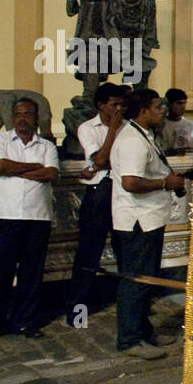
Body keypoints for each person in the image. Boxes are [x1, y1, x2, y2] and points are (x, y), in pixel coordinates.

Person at [109, 88, 185, 359]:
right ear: (143, 111)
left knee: (146, 279)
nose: (162, 110)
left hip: (149, 218)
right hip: (138, 220)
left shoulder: (143, 135)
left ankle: (143, 332)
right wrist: (166, 183)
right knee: (136, 280)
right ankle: (129, 340)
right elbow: (130, 182)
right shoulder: (132, 141)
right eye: (157, 107)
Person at [0, 98, 60, 345]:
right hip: (4, 216)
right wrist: (34, 167)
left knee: (31, 273)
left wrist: (20, 169)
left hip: (37, 217)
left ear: (36, 118)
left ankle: (24, 321)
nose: (22, 118)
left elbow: (51, 173)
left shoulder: (47, 146)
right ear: (11, 118)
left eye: (27, 114)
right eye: (17, 114)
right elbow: (1, 166)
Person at [66, 82, 129, 321]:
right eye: (114, 104)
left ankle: (129, 308)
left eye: (121, 104)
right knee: (88, 253)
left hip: (122, 192)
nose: (118, 109)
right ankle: (77, 312)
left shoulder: (129, 127)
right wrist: (112, 131)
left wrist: (106, 161)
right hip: (98, 193)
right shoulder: (87, 128)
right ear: (101, 105)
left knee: (124, 251)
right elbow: (100, 160)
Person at [158, 87, 193, 155]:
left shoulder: (191, 125)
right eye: (179, 103)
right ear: (169, 104)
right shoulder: (161, 126)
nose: (183, 107)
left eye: (184, 103)